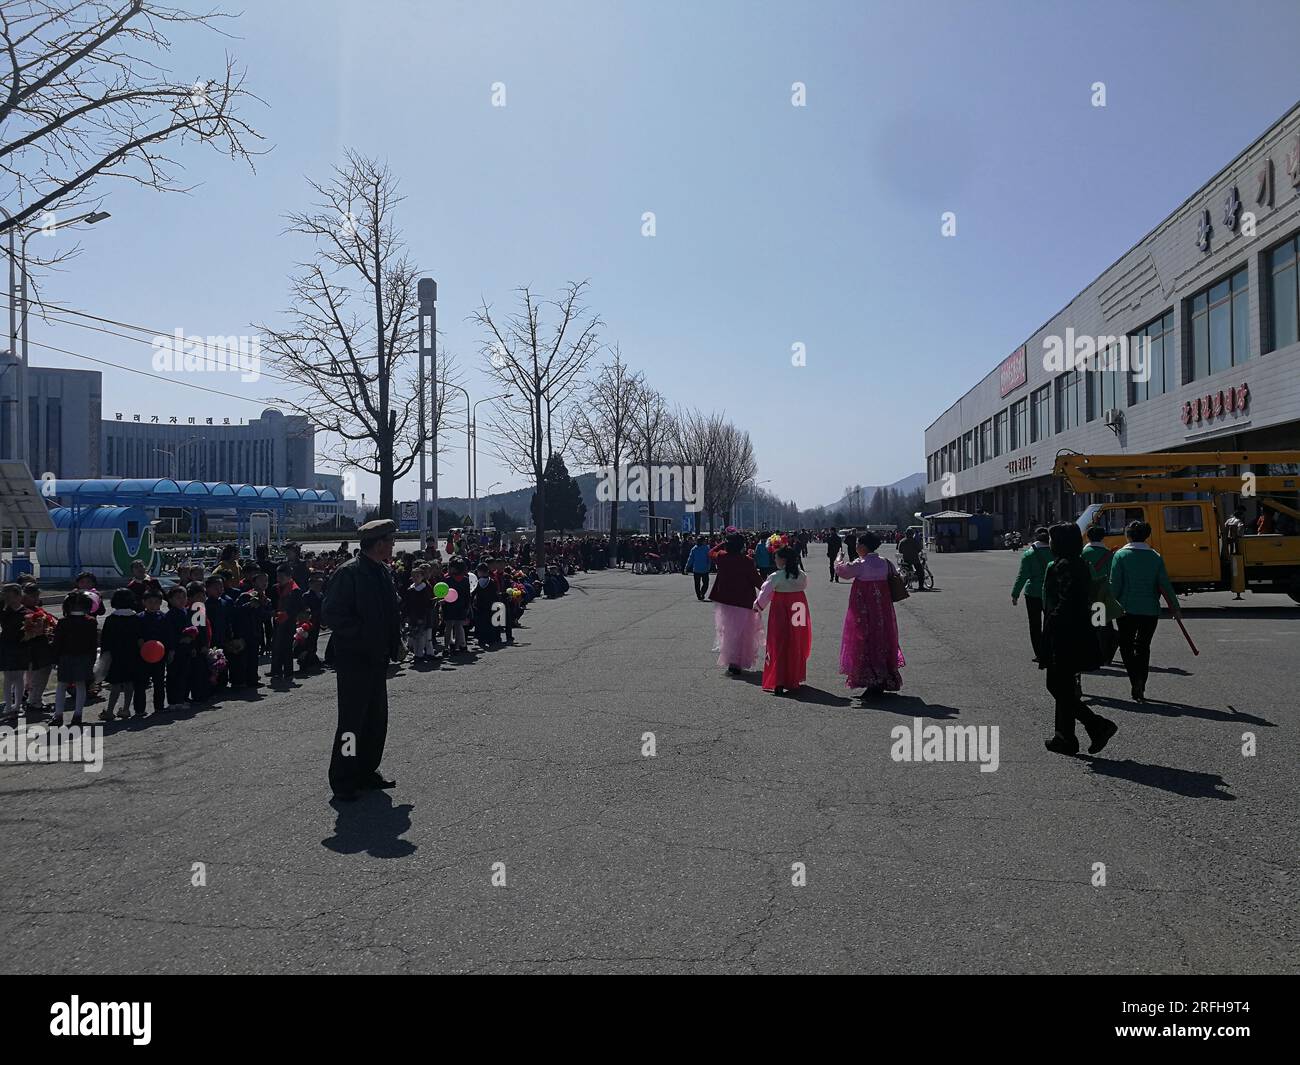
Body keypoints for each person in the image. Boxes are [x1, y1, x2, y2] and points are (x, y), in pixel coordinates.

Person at [322, 518, 403, 802]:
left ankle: (367, 771)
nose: (393, 545)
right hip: (354, 658)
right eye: (391, 541)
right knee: (351, 723)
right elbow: (332, 613)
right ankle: (344, 778)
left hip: (377, 657)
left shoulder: (381, 571)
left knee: (375, 719)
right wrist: (363, 635)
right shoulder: (350, 573)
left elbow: (390, 611)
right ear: (379, 543)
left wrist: (396, 642)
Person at [1041, 523, 1117, 755]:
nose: (1051, 544)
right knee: (1064, 686)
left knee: (1056, 684)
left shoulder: (1064, 566)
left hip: (1066, 635)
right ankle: (1064, 737)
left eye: (1053, 540)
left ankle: (1096, 724)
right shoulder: (1080, 563)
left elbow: (1067, 601)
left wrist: (1052, 622)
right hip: (1080, 632)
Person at [1109, 519, 1182, 703]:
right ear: (1146, 535)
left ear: (1128, 535)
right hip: (1150, 609)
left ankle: (1135, 679)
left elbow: (1115, 585)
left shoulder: (1120, 555)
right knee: (1143, 646)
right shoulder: (1155, 556)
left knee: (1126, 646)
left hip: (1126, 609)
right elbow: (1164, 584)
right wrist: (1175, 607)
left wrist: (1106, 605)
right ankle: (1141, 681)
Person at [835, 531, 905, 696]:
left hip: (864, 610)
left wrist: (839, 558)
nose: (856, 546)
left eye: (858, 544)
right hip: (883, 611)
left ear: (864, 547)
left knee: (864, 641)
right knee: (883, 639)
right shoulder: (885, 563)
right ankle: (884, 677)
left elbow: (842, 571)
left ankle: (871, 681)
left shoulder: (860, 564)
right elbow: (896, 575)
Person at [753, 542, 811, 695]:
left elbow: (764, 594)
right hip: (799, 607)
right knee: (796, 641)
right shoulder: (801, 575)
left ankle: (778, 680)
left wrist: (757, 606)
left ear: (783, 560)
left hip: (781, 608)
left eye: (777, 558)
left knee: (778, 642)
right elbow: (804, 585)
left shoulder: (776, 576)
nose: (775, 561)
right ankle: (794, 677)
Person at [707, 532, 763, 674]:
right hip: (743, 600)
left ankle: (732, 660)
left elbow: (711, 552)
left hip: (726, 599)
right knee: (743, 633)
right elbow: (757, 581)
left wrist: (723, 543)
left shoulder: (722, 557)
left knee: (728, 631)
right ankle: (739, 661)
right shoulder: (747, 561)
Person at [49, 591, 97, 726]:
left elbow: (57, 642)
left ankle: (58, 715)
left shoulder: (63, 622)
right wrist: (92, 660)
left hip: (66, 657)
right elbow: (93, 643)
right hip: (84, 658)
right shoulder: (91, 622)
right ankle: (78, 715)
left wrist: (54, 658)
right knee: (81, 686)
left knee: (61, 686)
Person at [1011, 526, 1052, 667]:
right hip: (1051, 593)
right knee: (1051, 623)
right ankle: (1051, 650)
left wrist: (1015, 594)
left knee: (1035, 625)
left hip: (1033, 592)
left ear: (1035, 537)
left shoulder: (1029, 554)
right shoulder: (1055, 552)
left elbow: (1022, 576)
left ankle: (1040, 654)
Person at [100, 589, 142, 720]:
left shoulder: (110, 619)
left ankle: (110, 711)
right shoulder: (136, 619)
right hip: (132, 656)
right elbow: (140, 638)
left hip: (115, 657)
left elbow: (105, 641)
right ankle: (126, 709)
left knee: (116, 685)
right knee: (129, 684)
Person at [1081, 524, 1118, 664]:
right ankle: (1107, 648)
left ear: (1088, 537)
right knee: (1105, 622)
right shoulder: (1109, 553)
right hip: (1106, 592)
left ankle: (1101, 653)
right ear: (1103, 537)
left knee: (1096, 625)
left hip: (1091, 592)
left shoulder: (1084, 553)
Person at [686, 536, 712, 600]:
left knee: (697, 584)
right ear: (703, 541)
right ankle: (702, 592)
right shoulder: (706, 548)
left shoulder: (694, 549)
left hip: (697, 569)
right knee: (705, 583)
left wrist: (687, 567)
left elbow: (690, 559)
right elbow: (709, 558)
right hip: (704, 569)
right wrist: (709, 566)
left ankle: (699, 595)